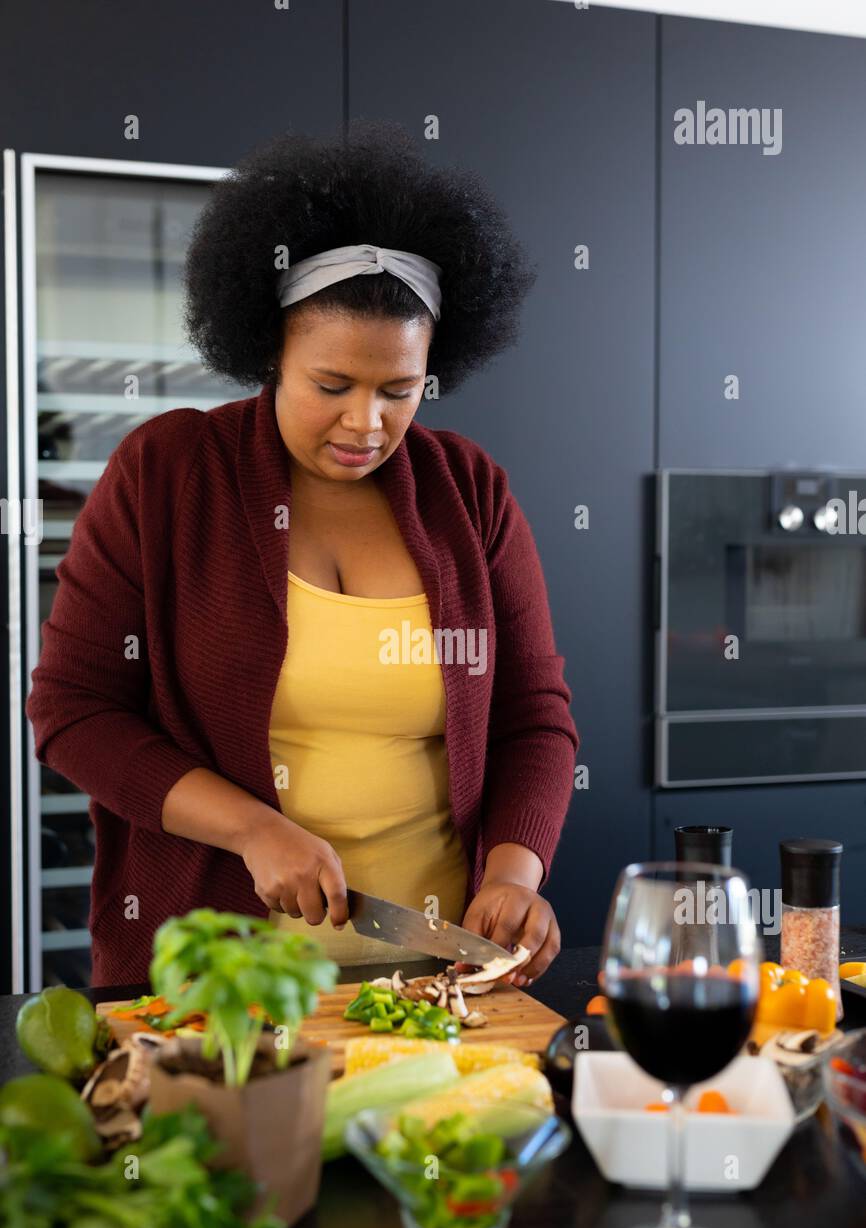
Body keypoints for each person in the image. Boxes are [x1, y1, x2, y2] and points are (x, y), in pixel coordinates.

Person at [26, 120, 579, 988]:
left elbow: (534, 716)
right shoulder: (167, 473)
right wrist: (250, 828)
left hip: (433, 979)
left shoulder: (470, 491)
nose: (367, 424)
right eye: (332, 386)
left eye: (399, 391)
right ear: (269, 354)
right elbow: (73, 713)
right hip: (223, 985)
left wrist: (515, 872)